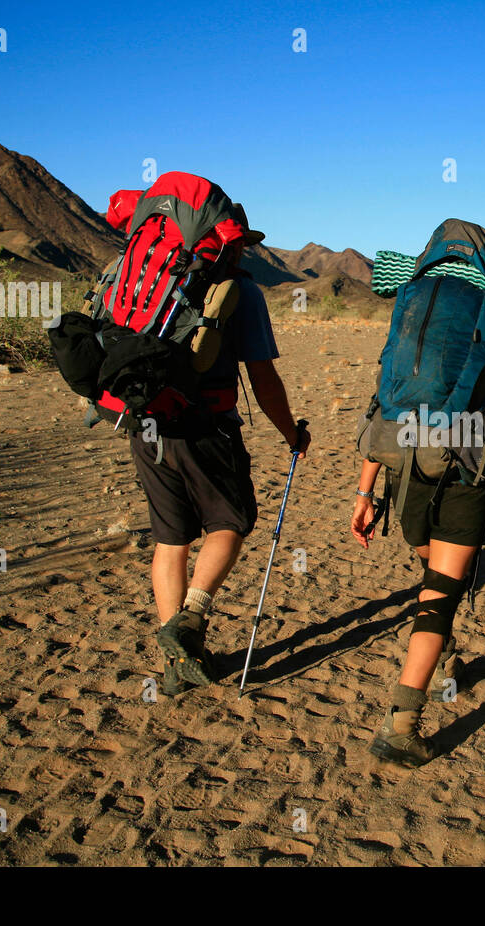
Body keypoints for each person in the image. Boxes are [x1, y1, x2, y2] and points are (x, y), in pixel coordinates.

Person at [125, 218, 311, 697]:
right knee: (229, 524)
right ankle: (190, 620)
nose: (245, 254)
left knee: (171, 541)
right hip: (207, 427)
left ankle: (174, 665)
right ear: (230, 243)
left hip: (146, 426)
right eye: (242, 245)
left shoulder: (147, 276)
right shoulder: (239, 292)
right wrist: (291, 432)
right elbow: (263, 377)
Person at [351, 347, 485, 765]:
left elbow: (381, 415)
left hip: (406, 473)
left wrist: (363, 494)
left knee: (434, 578)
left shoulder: (406, 341)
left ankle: (445, 659)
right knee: (441, 592)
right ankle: (401, 725)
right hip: (464, 477)